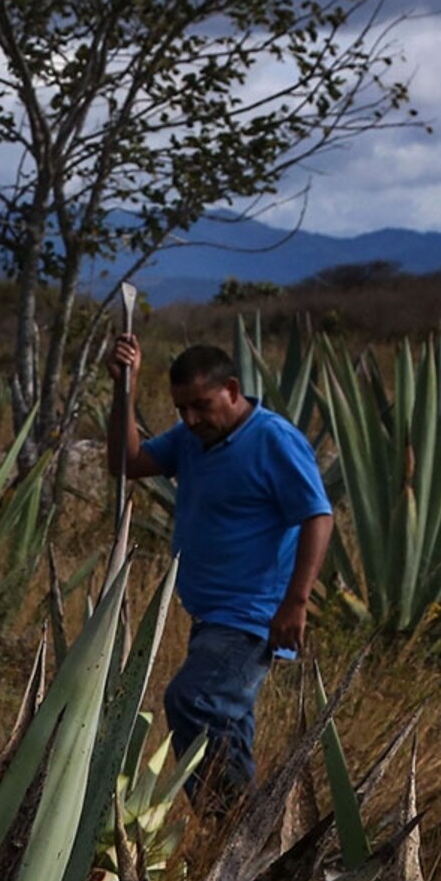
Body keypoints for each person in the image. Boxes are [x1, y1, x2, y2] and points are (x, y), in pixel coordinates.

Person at [108, 335, 335, 804]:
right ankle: (245, 844)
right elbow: (127, 462)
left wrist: (295, 602)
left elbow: (318, 515)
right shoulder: (194, 439)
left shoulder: (272, 439)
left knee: (195, 701)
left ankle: (232, 831)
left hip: (252, 614)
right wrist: (124, 391)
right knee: (226, 730)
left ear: (232, 389)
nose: (191, 419)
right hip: (212, 614)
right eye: (181, 409)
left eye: (201, 405)